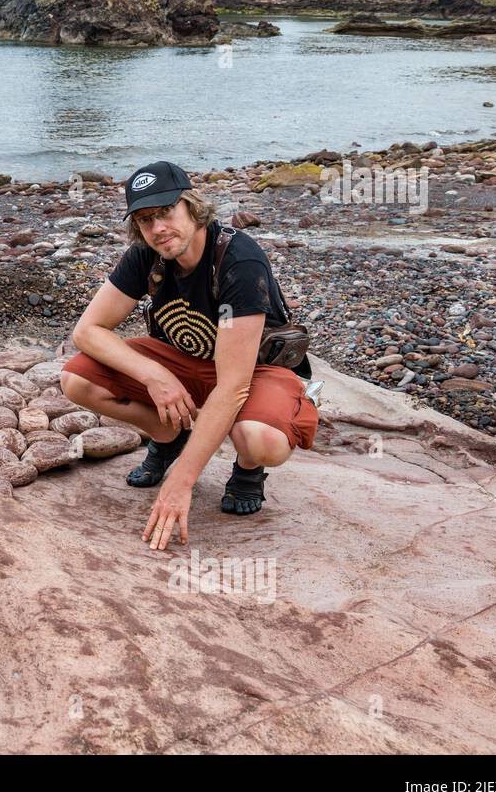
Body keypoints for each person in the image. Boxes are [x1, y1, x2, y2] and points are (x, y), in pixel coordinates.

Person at [59, 161, 321, 551]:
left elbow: (233, 385)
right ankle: (169, 434)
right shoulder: (146, 256)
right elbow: (87, 331)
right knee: (78, 379)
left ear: (192, 207)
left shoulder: (238, 262)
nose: (158, 228)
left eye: (166, 212)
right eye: (145, 220)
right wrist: (153, 375)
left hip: (253, 370)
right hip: (181, 360)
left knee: (260, 439)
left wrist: (182, 479)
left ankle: (248, 468)